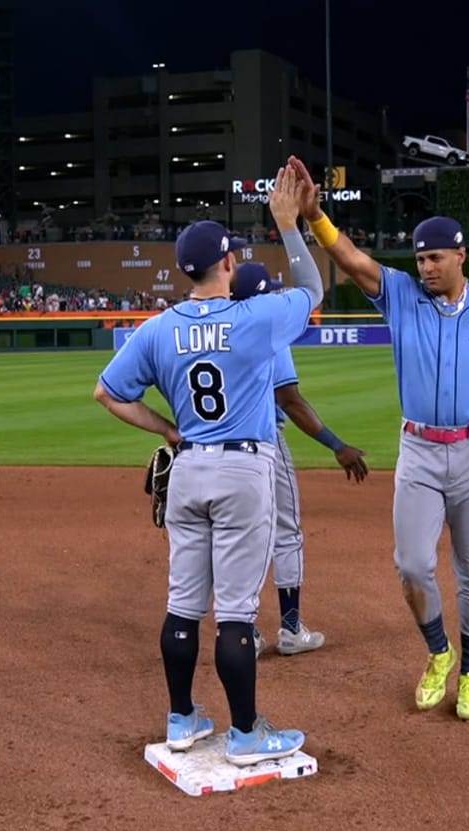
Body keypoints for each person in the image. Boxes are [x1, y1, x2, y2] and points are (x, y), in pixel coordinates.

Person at [287, 155, 469, 722]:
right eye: (419, 258)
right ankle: (438, 653)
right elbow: (351, 259)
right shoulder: (400, 294)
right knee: (413, 565)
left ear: (460, 255)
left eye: (435, 257)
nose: (426, 267)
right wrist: (316, 218)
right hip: (417, 450)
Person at [93, 163, 323, 766]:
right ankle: (246, 734)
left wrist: (169, 428)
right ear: (228, 265)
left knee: (183, 604)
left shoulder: (155, 330)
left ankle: (180, 718)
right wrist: (288, 224)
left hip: (189, 466)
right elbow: (314, 289)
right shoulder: (254, 318)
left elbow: (107, 394)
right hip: (244, 470)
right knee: (237, 615)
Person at [231, 261, 370, 659]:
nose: (278, 297)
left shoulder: (214, 331)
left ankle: (245, 633)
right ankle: (291, 628)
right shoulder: (270, 333)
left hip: (216, 447)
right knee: (285, 532)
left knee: (235, 537)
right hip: (263, 443)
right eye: (271, 291)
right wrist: (336, 445)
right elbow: (289, 401)